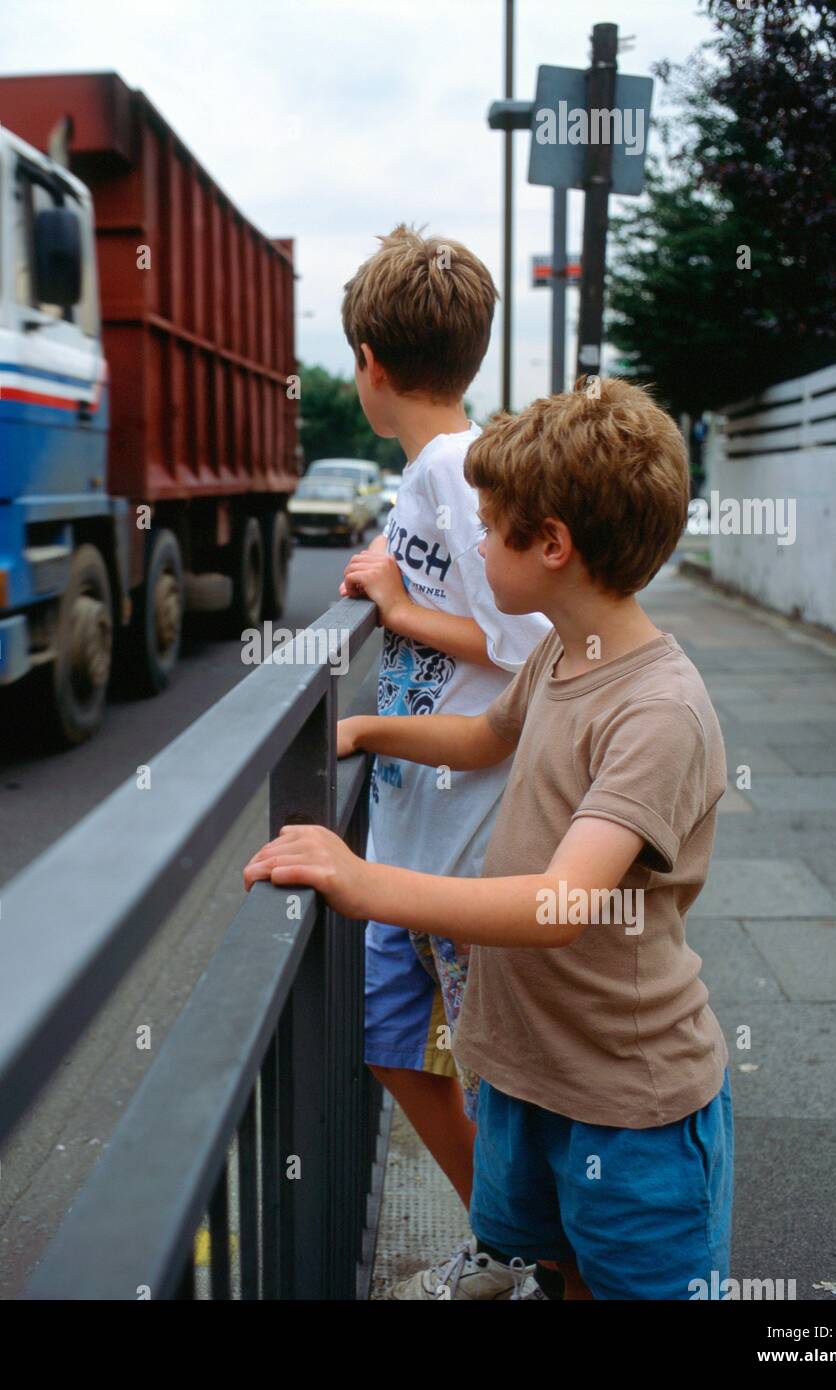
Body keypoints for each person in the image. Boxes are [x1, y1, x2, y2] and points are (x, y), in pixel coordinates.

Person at [245, 377, 733, 1301]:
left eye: (491, 524)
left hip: (627, 1103)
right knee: (556, 1270)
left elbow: (559, 907)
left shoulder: (657, 711)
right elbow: (481, 737)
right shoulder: (558, 653)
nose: (473, 540)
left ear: (552, 545)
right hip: (528, 1072)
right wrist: (361, 730)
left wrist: (362, 880)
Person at [336, 224, 550, 1221]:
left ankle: (537, 1252)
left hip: (464, 846)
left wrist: (397, 605)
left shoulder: (454, 469)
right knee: (391, 1043)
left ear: (369, 364)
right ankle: (503, 1234)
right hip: (412, 839)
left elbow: (528, 641)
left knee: (496, 1074)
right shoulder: (437, 469)